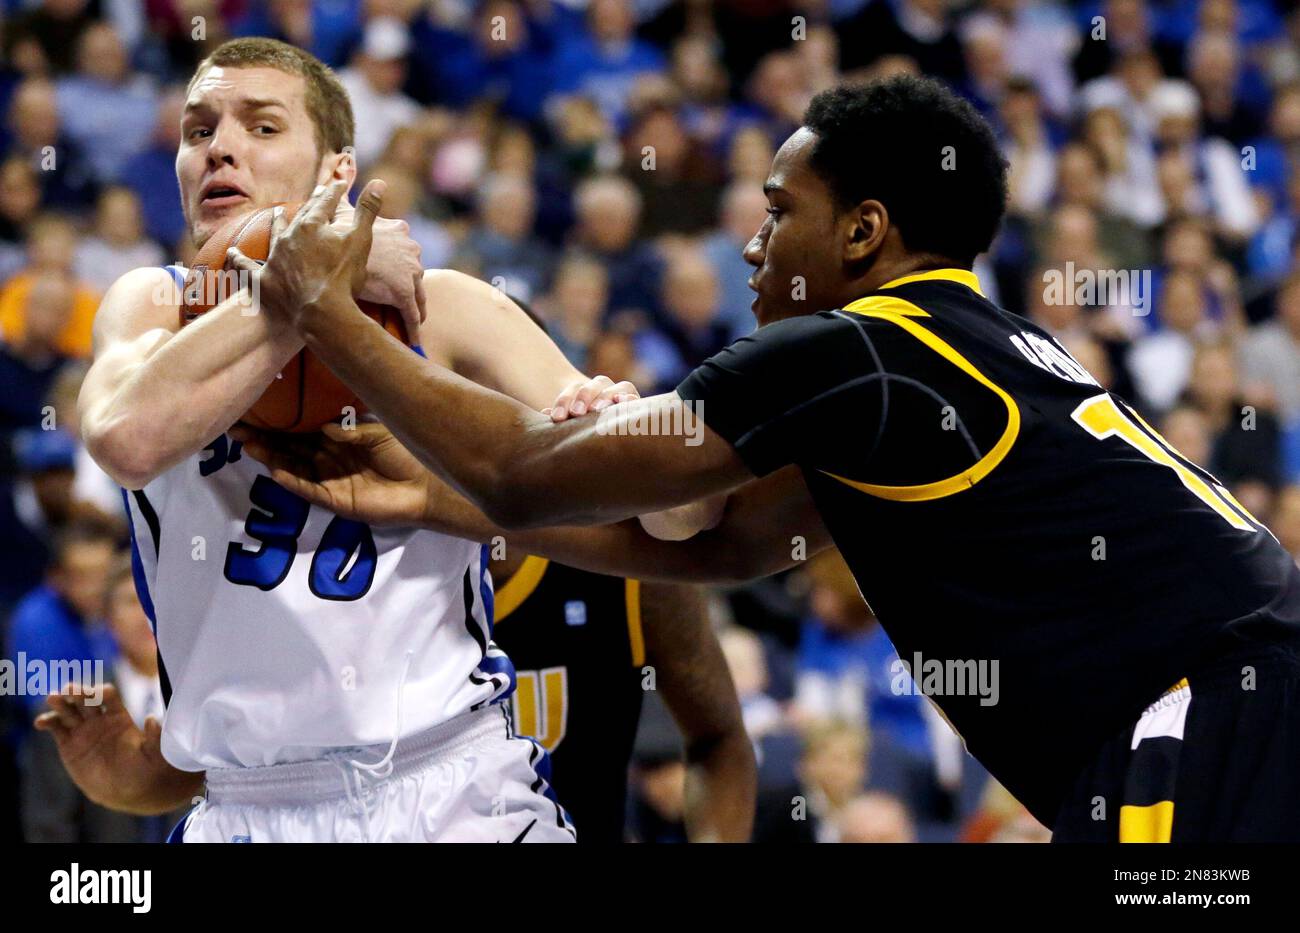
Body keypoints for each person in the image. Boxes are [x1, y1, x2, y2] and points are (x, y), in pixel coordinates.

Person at [240, 75, 1300, 843]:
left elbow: (527, 469)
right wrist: (438, 498)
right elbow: (727, 549)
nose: (750, 245)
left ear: (863, 233)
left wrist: (326, 315)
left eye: (780, 214)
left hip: (1218, 719)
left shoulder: (857, 349)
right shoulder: (973, 349)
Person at [66, 36, 717, 844]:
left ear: (338, 171)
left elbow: (679, 516)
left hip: (450, 786)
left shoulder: (442, 307)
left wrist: (629, 445)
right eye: (198, 132)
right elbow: (125, 439)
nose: (220, 147)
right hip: (246, 805)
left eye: (262, 127)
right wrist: (306, 285)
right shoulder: (149, 306)